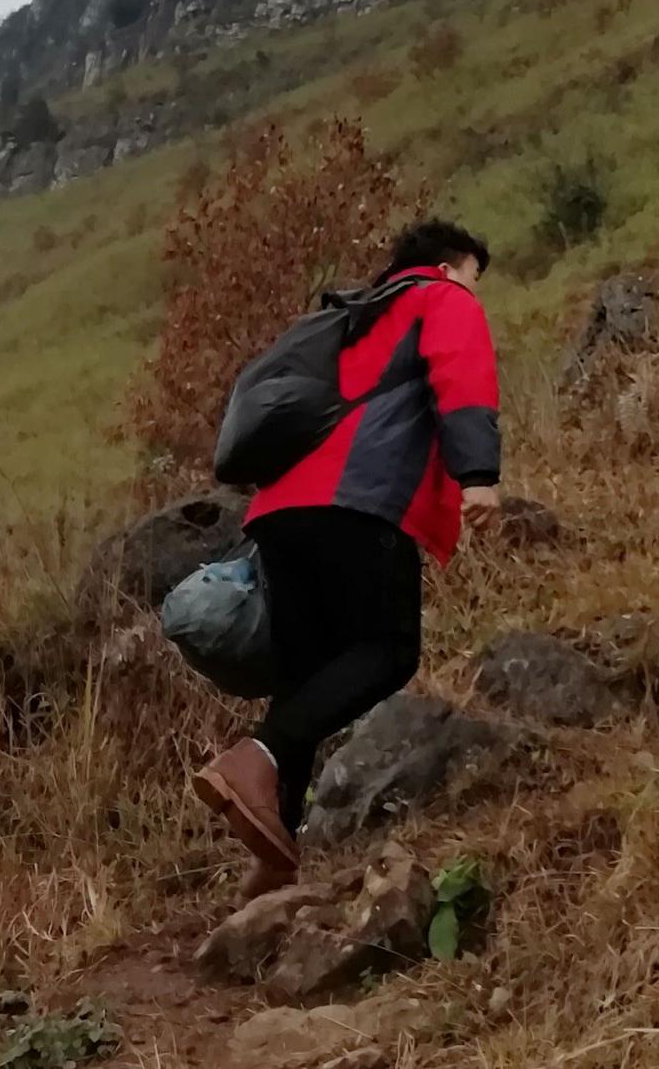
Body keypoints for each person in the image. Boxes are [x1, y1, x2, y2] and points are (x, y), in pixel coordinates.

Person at [192, 218, 502, 891]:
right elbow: (463, 373)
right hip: (357, 502)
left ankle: (273, 855)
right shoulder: (440, 298)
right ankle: (258, 757)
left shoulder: (351, 318)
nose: (476, 292)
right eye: (475, 276)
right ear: (449, 266)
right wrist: (479, 473)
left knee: (306, 675)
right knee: (390, 649)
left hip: (279, 513)